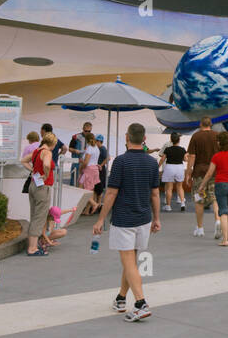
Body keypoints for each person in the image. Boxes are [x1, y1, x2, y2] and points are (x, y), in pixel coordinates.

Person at [92, 123, 161, 321]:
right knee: (130, 261)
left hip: (124, 219)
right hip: (144, 219)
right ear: (144, 138)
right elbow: (155, 194)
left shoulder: (121, 162)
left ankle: (140, 303)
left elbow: (112, 192)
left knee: (129, 262)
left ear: (126, 137)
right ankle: (121, 298)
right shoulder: (151, 163)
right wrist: (157, 218)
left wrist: (100, 219)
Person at [197, 131, 228, 248]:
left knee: (223, 211)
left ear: (219, 143)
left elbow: (209, 174)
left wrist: (202, 186)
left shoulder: (216, 156)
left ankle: (225, 240)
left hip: (221, 184)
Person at [22, 131, 57, 257]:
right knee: (40, 217)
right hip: (43, 187)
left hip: (33, 185)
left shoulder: (37, 151)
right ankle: (32, 248)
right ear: (52, 143)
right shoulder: (47, 152)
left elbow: (24, 160)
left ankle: (33, 244)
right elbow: (47, 164)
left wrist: (33, 170)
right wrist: (46, 175)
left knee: (34, 214)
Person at [186, 116, 218, 237]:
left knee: (199, 200)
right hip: (215, 171)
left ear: (200, 124)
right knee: (214, 199)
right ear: (211, 124)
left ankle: (200, 228)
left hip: (199, 172)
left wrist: (188, 173)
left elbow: (192, 156)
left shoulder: (196, 136)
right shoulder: (217, 135)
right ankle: (218, 222)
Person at [159, 132, 187, 212]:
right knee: (180, 187)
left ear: (171, 139)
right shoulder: (182, 149)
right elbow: (185, 159)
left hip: (169, 167)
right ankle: (182, 203)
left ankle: (168, 206)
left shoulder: (167, 149)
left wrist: (157, 167)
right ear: (179, 140)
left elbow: (162, 159)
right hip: (179, 168)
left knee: (169, 188)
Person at [68, 121, 93, 186]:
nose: (87, 133)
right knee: (74, 181)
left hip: (86, 163)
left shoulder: (92, 138)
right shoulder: (76, 137)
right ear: (83, 129)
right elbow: (70, 148)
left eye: (89, 131)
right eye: (86, 131)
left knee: (83, 182)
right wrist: (75, 150)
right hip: (76, 162)